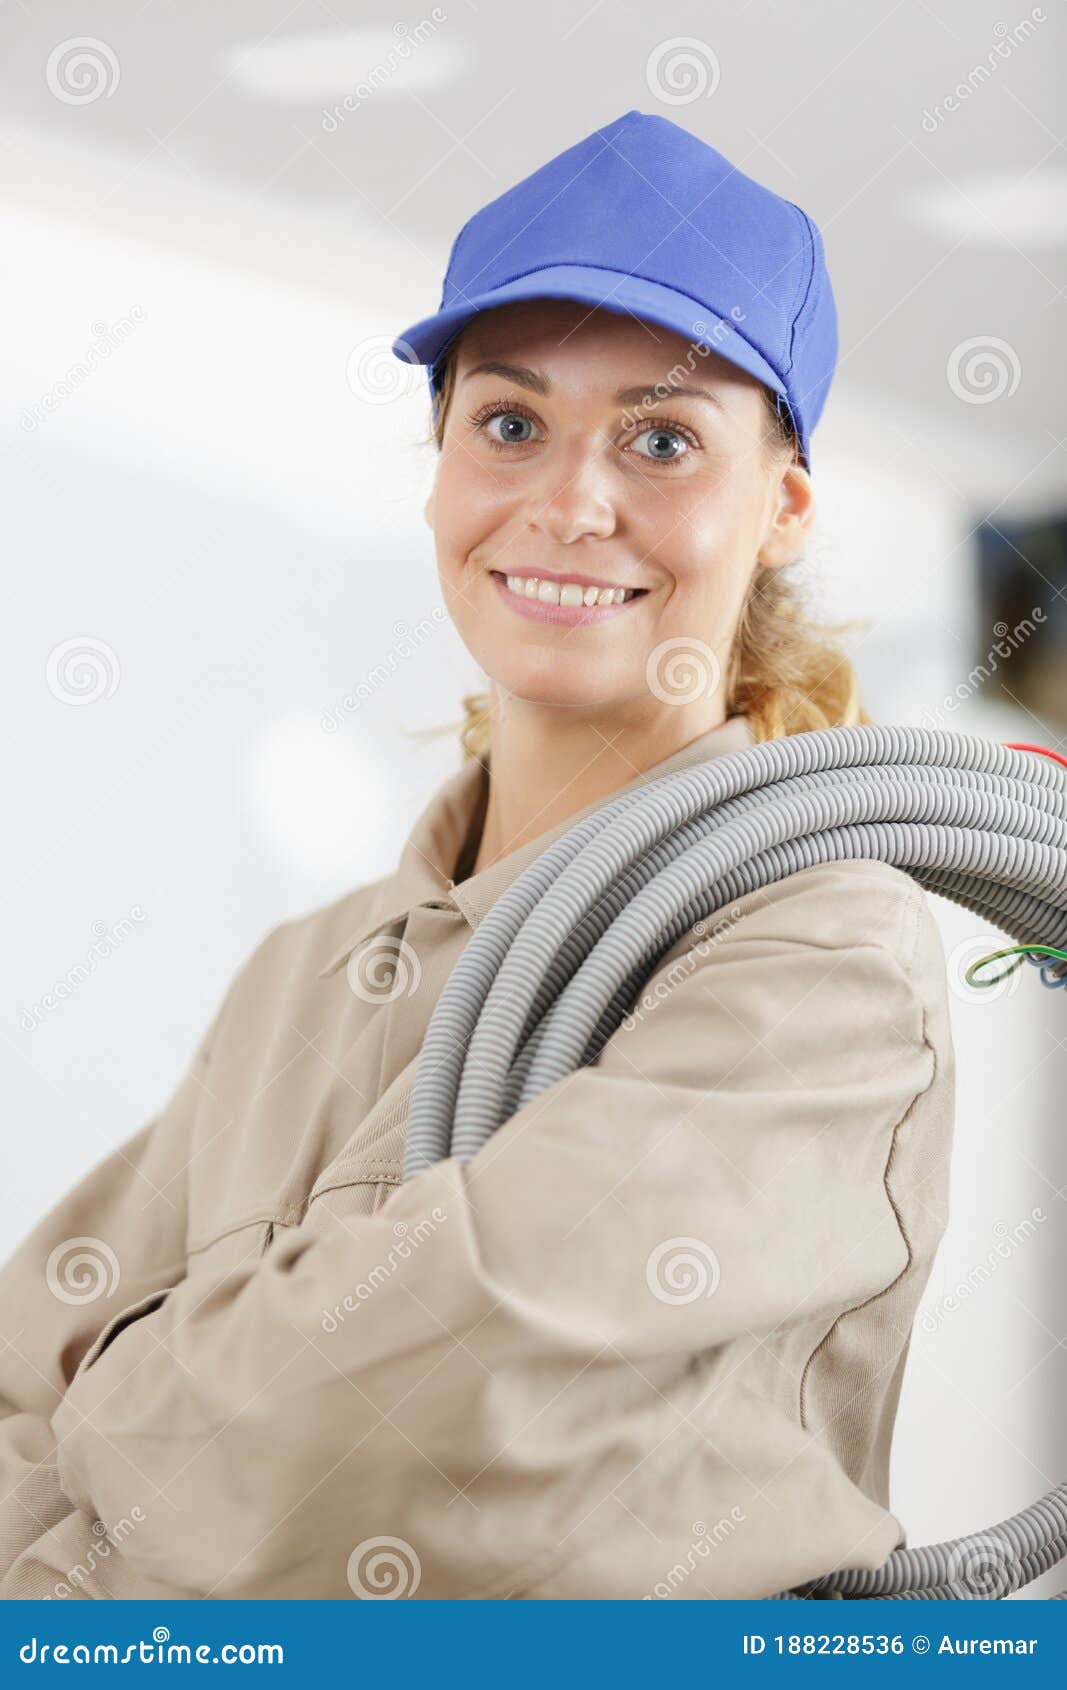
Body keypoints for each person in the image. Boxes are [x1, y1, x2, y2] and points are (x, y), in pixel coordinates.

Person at [0, 110, 954, 1601]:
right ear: (440, 464)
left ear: (783, 507)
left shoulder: (819, 946)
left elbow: (407, 1409)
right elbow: (18, 1379)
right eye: (510, 423)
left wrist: (121, 1413)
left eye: (662, 438)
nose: (571, 502)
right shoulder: (301, 975)